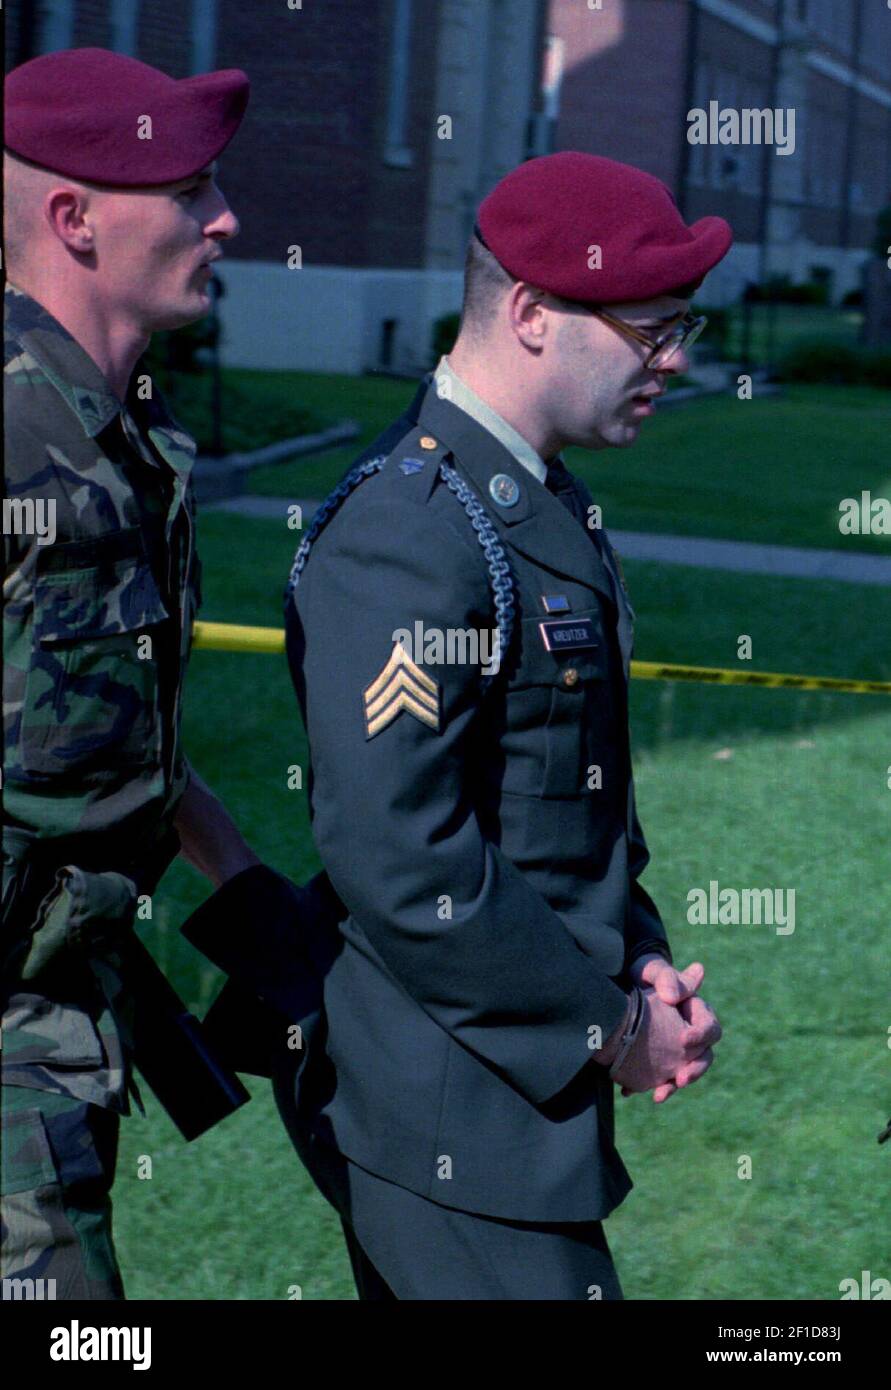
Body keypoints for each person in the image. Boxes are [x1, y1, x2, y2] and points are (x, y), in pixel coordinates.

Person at [281, 152, 730, 1300]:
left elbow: (563, 803)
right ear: (532, 313)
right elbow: (403, 859)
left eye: (681, 324)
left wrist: (635, 949)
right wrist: (613, 1028)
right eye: (651, 329)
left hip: (513, 1118)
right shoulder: (414, 533)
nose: (674, 358)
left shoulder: (530, 501)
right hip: (452, 1122)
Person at [2, 47, 260, 1300]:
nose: (225, 218)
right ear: (76, 220)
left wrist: (252, 889)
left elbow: (111, 726)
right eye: (192, 189)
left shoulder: (127, 448)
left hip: (75, 1012)